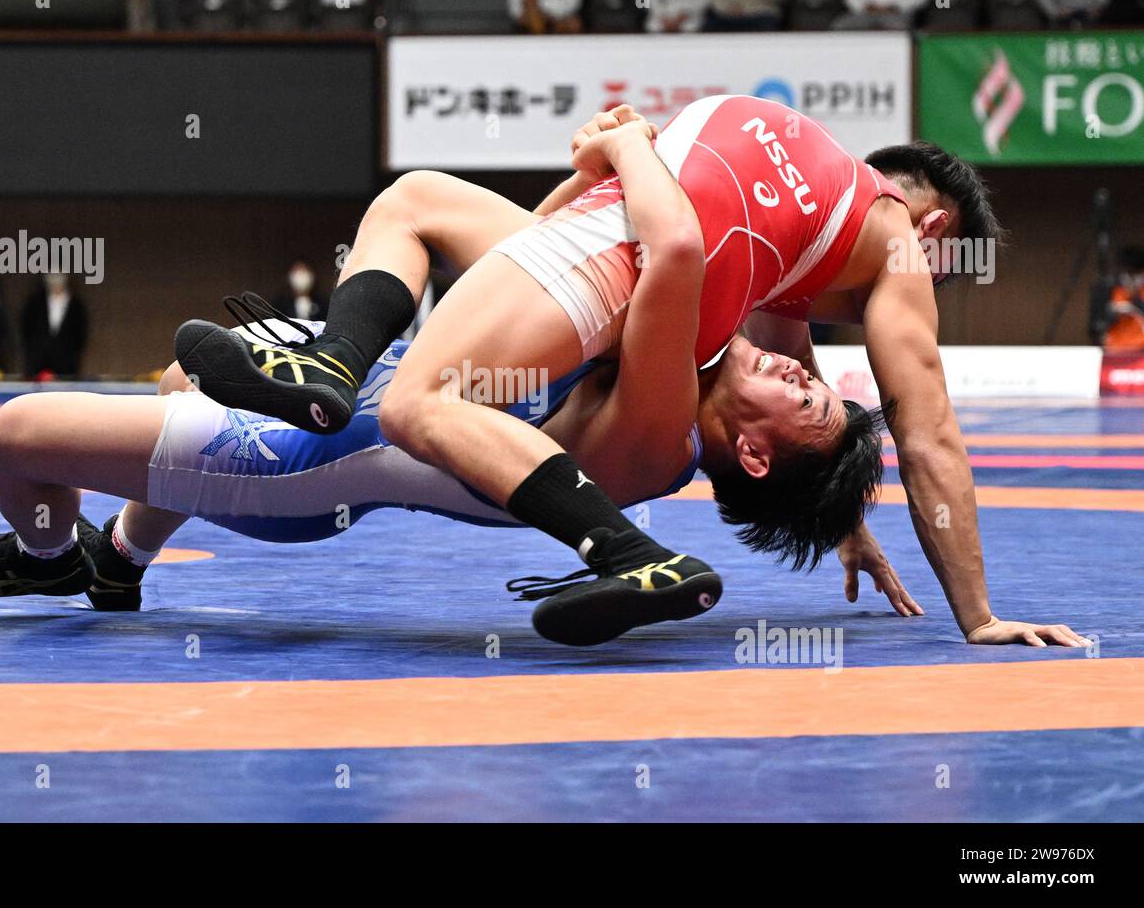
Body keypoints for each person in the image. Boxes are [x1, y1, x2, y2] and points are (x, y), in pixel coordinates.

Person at [176, 99, 1087, 648]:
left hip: (624, 244)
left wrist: (842, 513)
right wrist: (978, 615)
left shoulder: (810, 198)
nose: (923, 293)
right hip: (634, 253)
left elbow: (795, 391)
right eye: (942, 270)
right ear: (930, 232)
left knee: (419, 216)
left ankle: (341, 363)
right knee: (423, 319)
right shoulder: (891, 247)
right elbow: (925, 430)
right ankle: (347, 370)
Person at [0, 305, 898, 645]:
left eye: (806, 396)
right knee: (181, 377)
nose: (792, 365)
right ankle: (120, 558)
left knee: (14, 434)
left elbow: (698, 249)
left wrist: (629, 151)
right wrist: (841, 505)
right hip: (363, 398)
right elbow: (767, 303)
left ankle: (47, 551)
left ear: (758, 453)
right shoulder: (678, 411)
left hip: (302, 464)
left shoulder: (654, 420)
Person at [20, 272, 88, 379]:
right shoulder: (35, 302)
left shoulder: (76, 304)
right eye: (52, 275)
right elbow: (26, 330)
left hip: (66, 367)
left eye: (59, 275)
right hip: (37, 366)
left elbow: (80, 335)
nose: (55, 280)